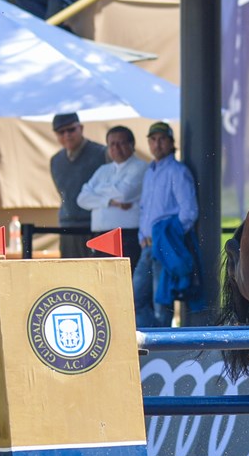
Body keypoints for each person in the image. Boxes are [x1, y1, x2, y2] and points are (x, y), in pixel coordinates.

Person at [134, 121, 200, 327]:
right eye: (153, 139)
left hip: (164, 245)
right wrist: (142, 236)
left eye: (162, 139)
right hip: (147, 245)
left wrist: (169, 236)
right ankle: (151, 339)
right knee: (134, 300)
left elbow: (189, 211)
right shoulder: (150, 172)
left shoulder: (177, 171)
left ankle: (160, 342)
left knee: (161, 302)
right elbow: (144, 209)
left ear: (171, 142)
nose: (157, 144)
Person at [77, 125, 147, 269]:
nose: (116, 148)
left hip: (126, 236)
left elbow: (123, 194)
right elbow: (82, 198)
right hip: (100, 235)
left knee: (125, 279)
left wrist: (98, 191)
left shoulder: (140, 167)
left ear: (132, 144)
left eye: (121, 143)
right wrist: (109, 201)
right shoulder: (103, 170)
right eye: (112, 144)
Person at [49, 112, 109, 258]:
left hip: (96, 227)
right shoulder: (56, 161)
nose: (67, 135)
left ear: (81, 128)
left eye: (71, 130)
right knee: (69, 271)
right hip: (67, 227)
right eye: (61, 132)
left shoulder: (102, 153)